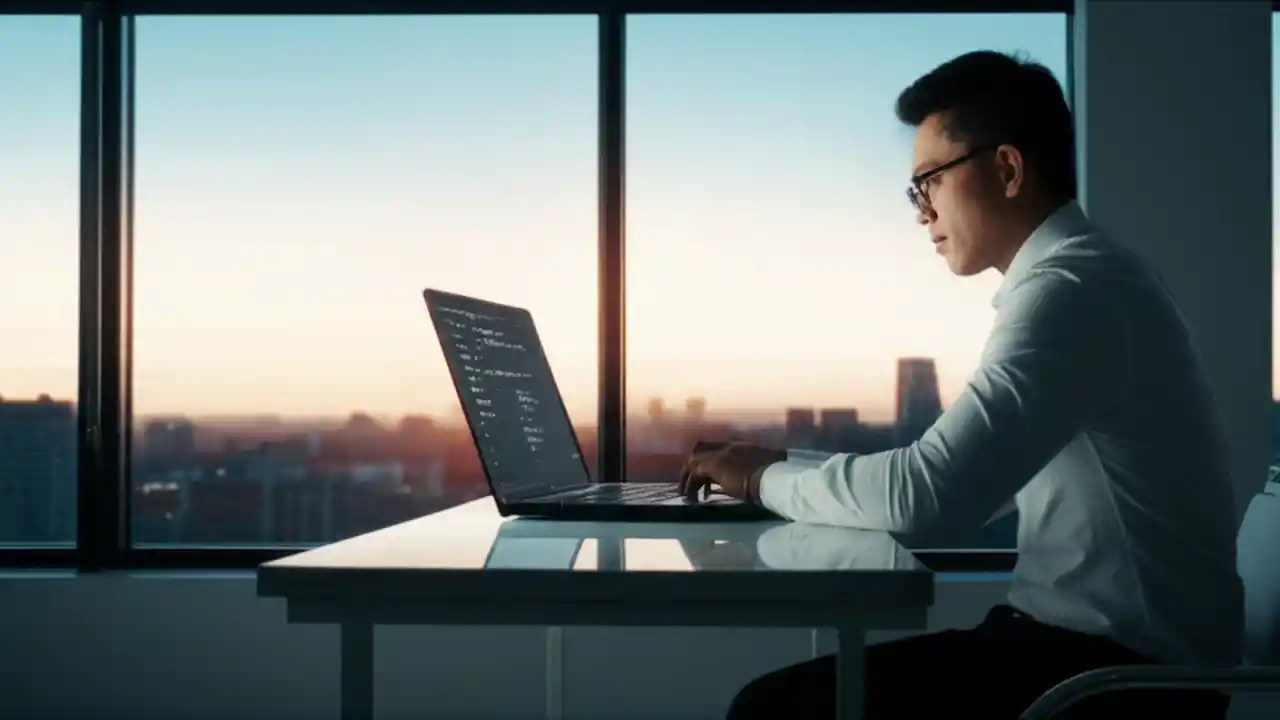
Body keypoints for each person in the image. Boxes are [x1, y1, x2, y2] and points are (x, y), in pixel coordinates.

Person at [677, 50, 1244, 720]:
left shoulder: (1071, 292)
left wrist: (762, 477)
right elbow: (970, 479)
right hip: (1086, 651)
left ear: (1006, 169)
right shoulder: (1087, 280)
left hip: (1114, 678)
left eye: (930, 182)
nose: (921, 211)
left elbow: (931, 493)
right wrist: (773, 466)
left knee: (771, 709)